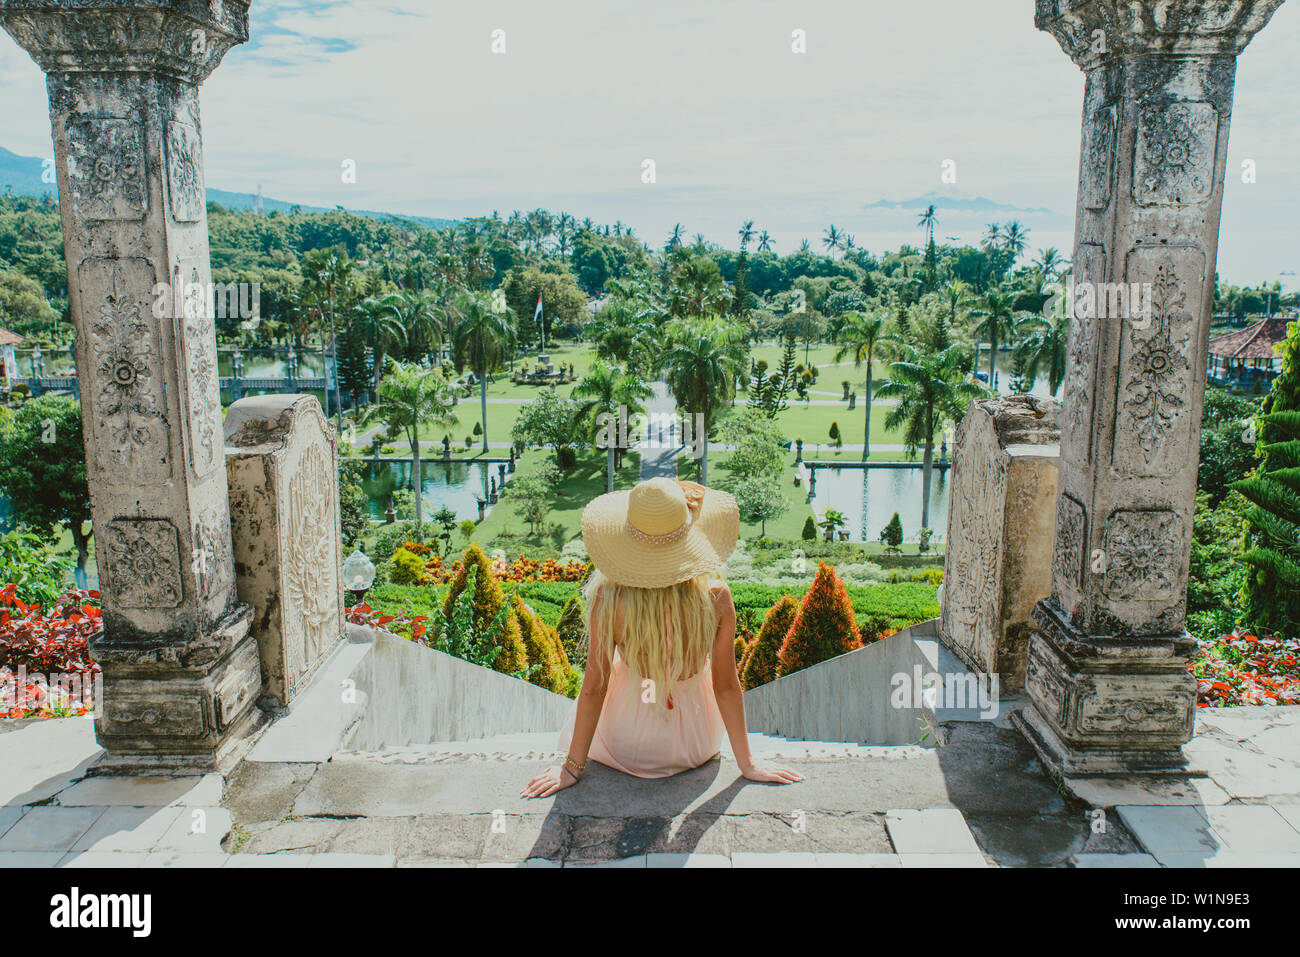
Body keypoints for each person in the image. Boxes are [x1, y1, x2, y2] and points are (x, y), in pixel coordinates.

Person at [522, 477, 803, 797]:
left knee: (609, 679)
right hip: (696, 743)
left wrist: (572, 766)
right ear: (690, 537)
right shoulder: (715, 598)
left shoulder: (610, 599)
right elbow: (725, 686)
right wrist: (748, 764)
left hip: (629, 743)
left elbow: (594, 688)